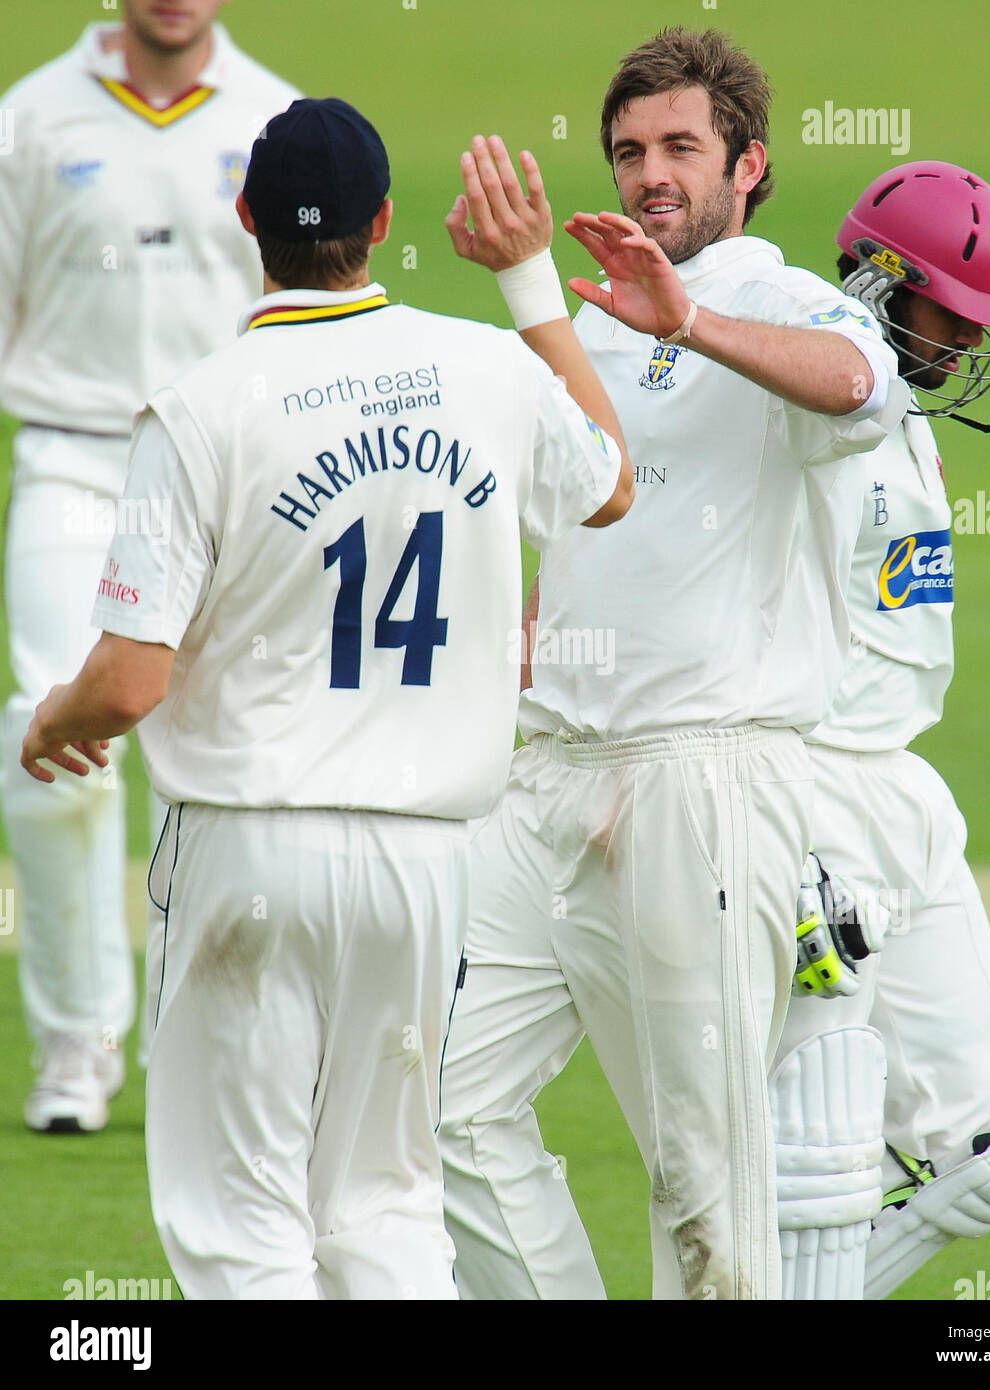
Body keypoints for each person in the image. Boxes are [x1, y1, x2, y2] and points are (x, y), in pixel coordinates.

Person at [20, 99, 632, 1299]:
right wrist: (530, 290)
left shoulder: (200, 407)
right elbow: (608, 484)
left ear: (245, 219)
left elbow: (131, 678)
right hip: (426, 868)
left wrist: (56, 719)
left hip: (250, 853)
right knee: (386, 1207)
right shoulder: (482, 369)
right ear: (383, 222)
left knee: (241, 1223)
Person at [437, 27, 908, 1301]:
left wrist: (687, 316)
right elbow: (590, 501)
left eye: (679, 148)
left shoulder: (774, 292)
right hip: (546, 781)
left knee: (701, 1173)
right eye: (629, 149)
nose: (650, 172)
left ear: (746, 165)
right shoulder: (599, 308)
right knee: (435, 1109)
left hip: (705, 782)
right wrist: (534, 282)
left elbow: (864, 383)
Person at [769, 159, 990, 1300]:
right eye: (950, 315)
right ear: (875, 284)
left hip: (904, 790)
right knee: (812, 1151)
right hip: (803, 789)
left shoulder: (902, 415)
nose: (967, 343)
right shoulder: (810, 416)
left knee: (988, 1145)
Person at [0, 0, 299, 1133]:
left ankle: (234, 1034)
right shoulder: (26, 119)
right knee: (49, 728)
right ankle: (79, 1042)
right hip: (74, 462)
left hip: (229, 465)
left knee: (241, 743)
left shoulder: (272, 116)